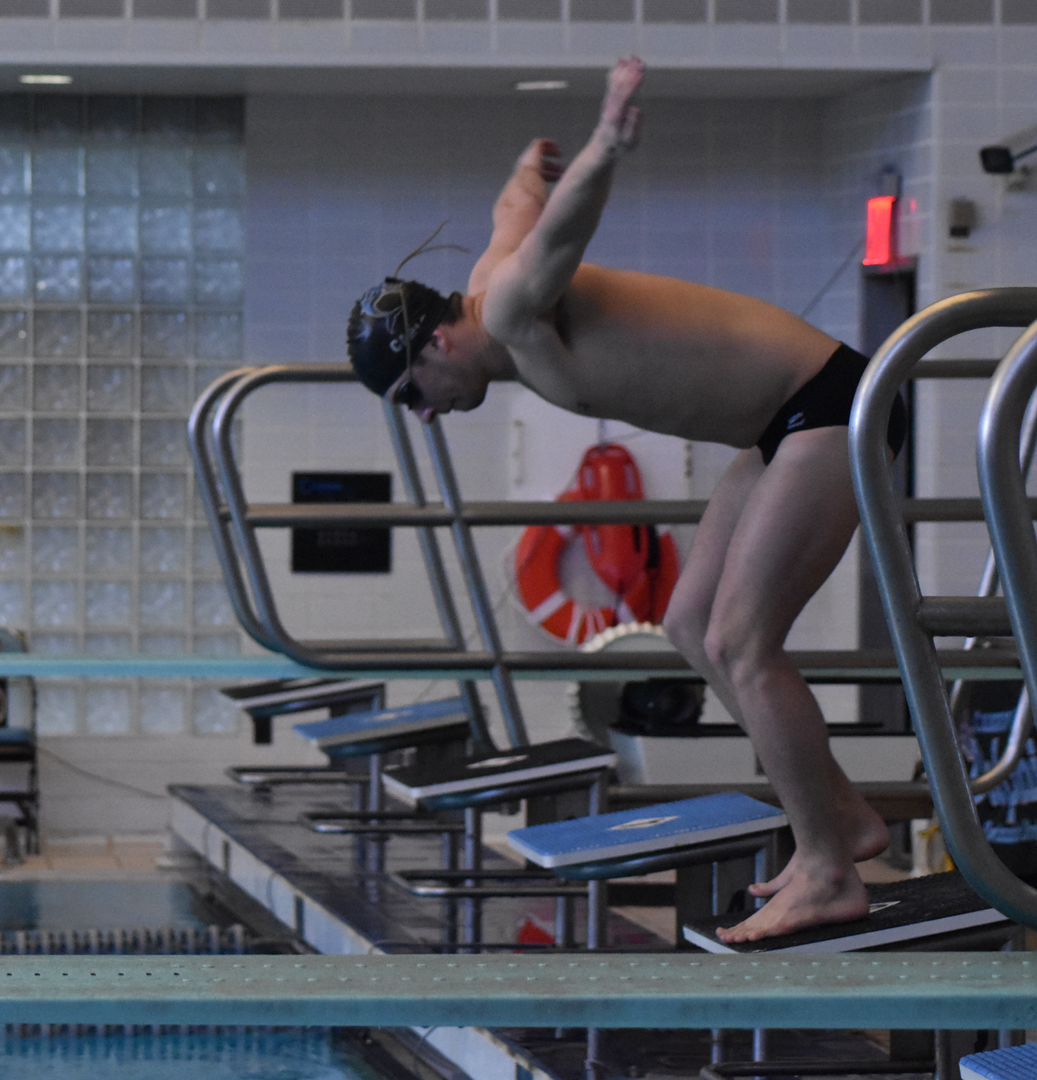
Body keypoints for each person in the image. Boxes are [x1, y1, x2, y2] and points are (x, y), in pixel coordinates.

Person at [345, 57, 908, 943]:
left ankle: (830, 871)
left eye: (411, 392)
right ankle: (839, 817)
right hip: (781, 424)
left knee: (739, 643)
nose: (423, 414)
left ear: (437, 343)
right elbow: (515, 210)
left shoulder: (510, 311)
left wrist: (605, 141)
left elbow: (559, 231)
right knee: (688, 623)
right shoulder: (489, 286)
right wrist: (528, 166)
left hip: (832, 407)